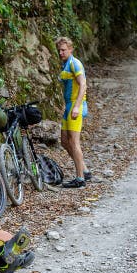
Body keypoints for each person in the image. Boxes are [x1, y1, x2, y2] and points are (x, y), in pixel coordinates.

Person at [55, 36, 91, 188]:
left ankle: (80, 178)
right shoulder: (65, 64)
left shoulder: (75, 63)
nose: (61, 53)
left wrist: (77, 106)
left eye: (63, 50)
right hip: (68, 106)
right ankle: (84, 170)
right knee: (64, 141)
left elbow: (83, 85)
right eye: (59, 50)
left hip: (76, 105)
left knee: (74, 142)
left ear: (70, 49)